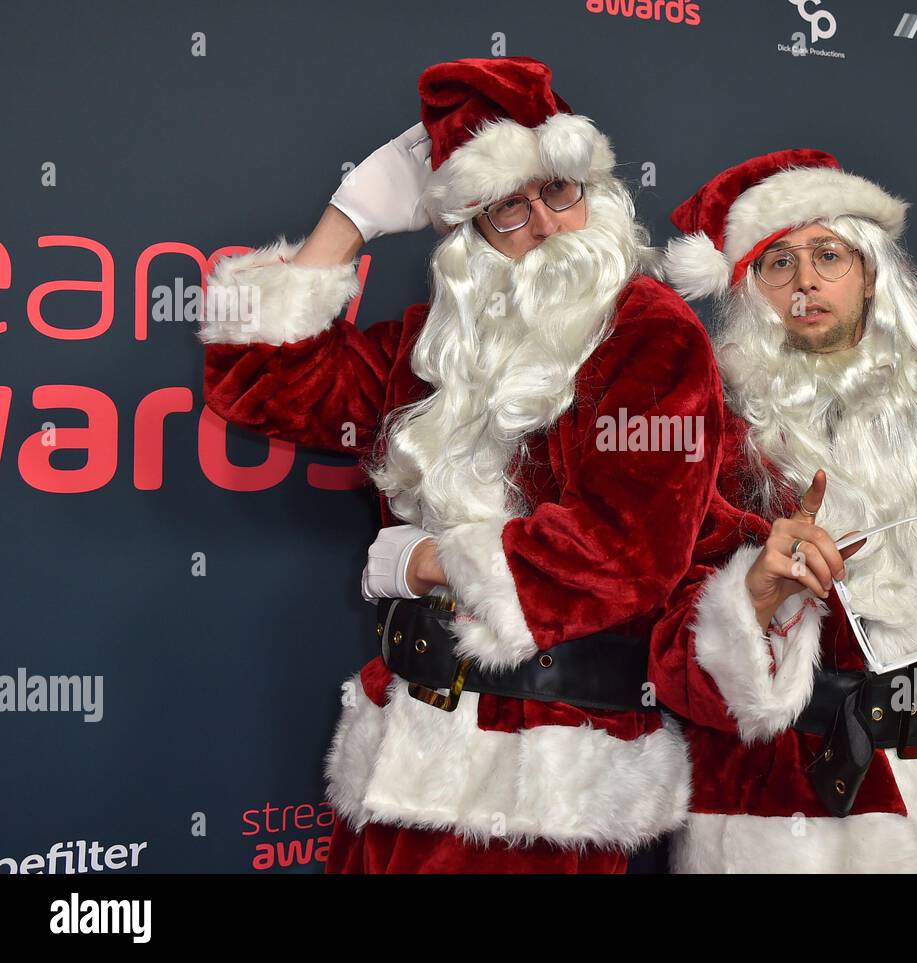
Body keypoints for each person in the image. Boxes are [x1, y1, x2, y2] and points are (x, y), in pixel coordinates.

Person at [197, 56, 723, 873]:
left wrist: (431, 560)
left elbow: (631, 549)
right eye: (510, 207)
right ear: (469, 231)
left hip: (544, 787)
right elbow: (257, 386)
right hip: (404, 754)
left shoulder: (650, 330)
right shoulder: (435, 341)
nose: (548, 224)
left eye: (560, 190)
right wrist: (348, 220)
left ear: (594, 188)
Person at [648, 148, 917, 872]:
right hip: (789, 810)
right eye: (777, 261)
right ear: (747, 293)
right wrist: (753, 592)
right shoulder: (706, 433)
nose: (805, 279)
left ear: (869, 280)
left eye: (828, 254)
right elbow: (668, 668)